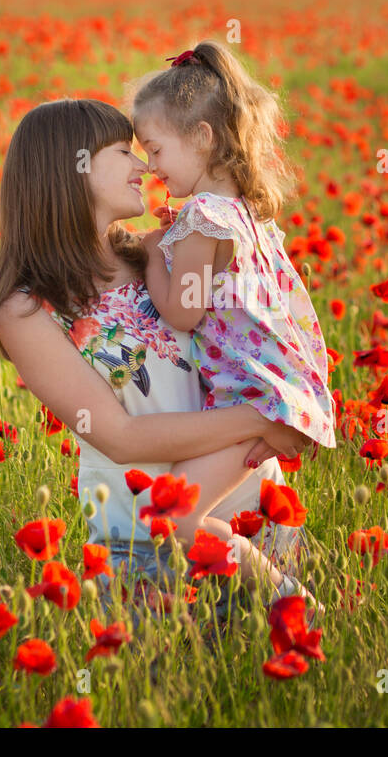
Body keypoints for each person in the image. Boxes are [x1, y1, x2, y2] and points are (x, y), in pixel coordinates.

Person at [0, 97, 315, 626]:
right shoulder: (27, 307)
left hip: (258, 517)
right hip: (146, 549)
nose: (143, 166)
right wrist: (268, 418)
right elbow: (120, 437)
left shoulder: (159, 254)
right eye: (123, 151)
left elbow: (259, 327)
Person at [130, 40, 337, 607]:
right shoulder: (246, 215)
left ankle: (291, 602)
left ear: (202, 137)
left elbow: (183, 310)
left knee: (171, 514)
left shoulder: (202, 219)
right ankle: (231, 612)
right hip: (265, 396)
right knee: (231, 513)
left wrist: (150, 255)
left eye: (155, 149)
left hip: (250, 402)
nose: (150, 167)